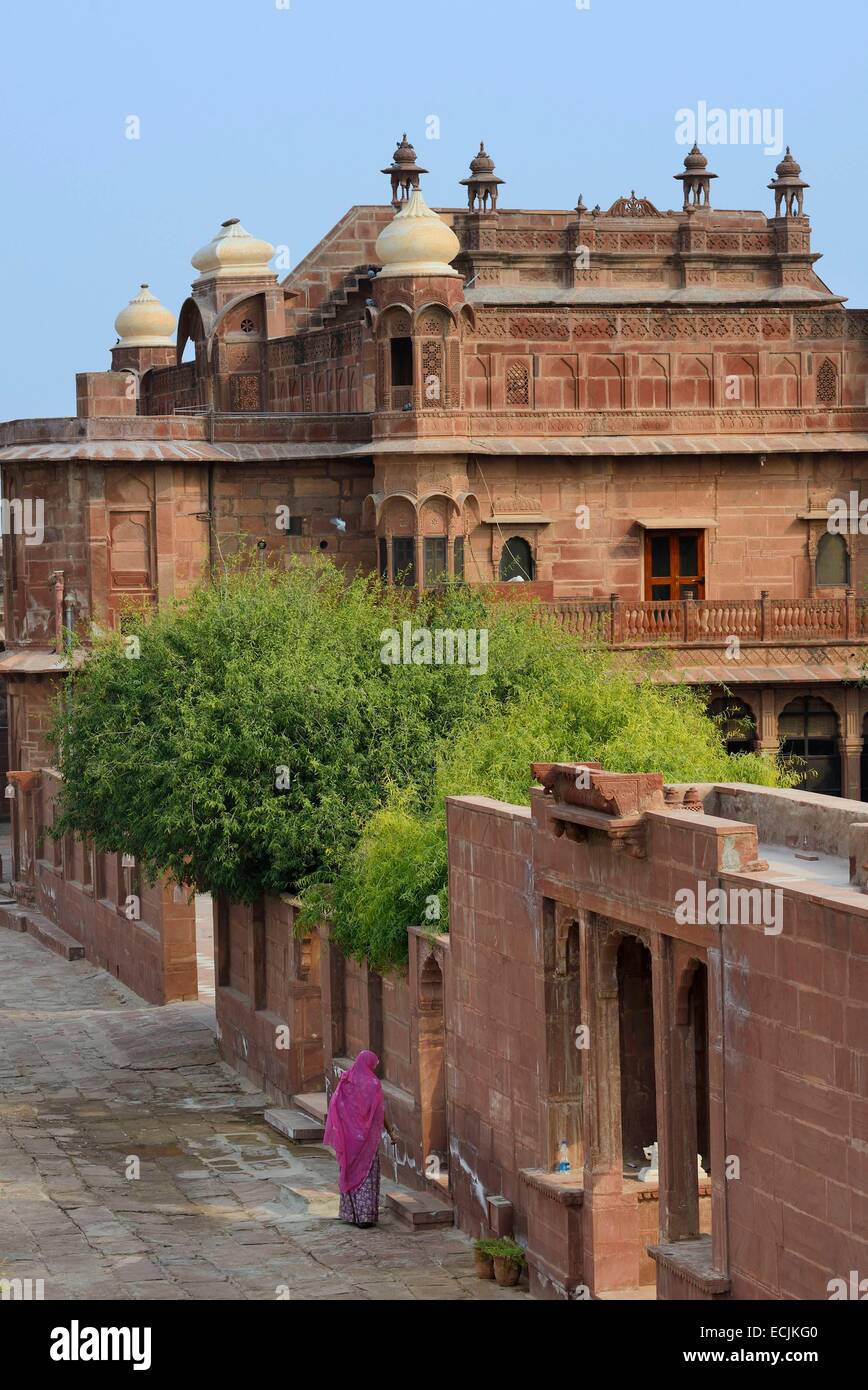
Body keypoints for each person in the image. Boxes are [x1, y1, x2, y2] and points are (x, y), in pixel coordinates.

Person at [323, 1049, 399, 1228]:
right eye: (374, 1065)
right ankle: (365, 1215)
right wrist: (391, 1132)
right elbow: (379, 1111)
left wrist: (343, 1127)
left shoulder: (347, 1081)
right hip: (365, 1142)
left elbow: (335, 1104)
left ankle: (350, 1213)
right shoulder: (373, 1084)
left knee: (349, 1172)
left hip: (348, 1138)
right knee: (365, 1174)